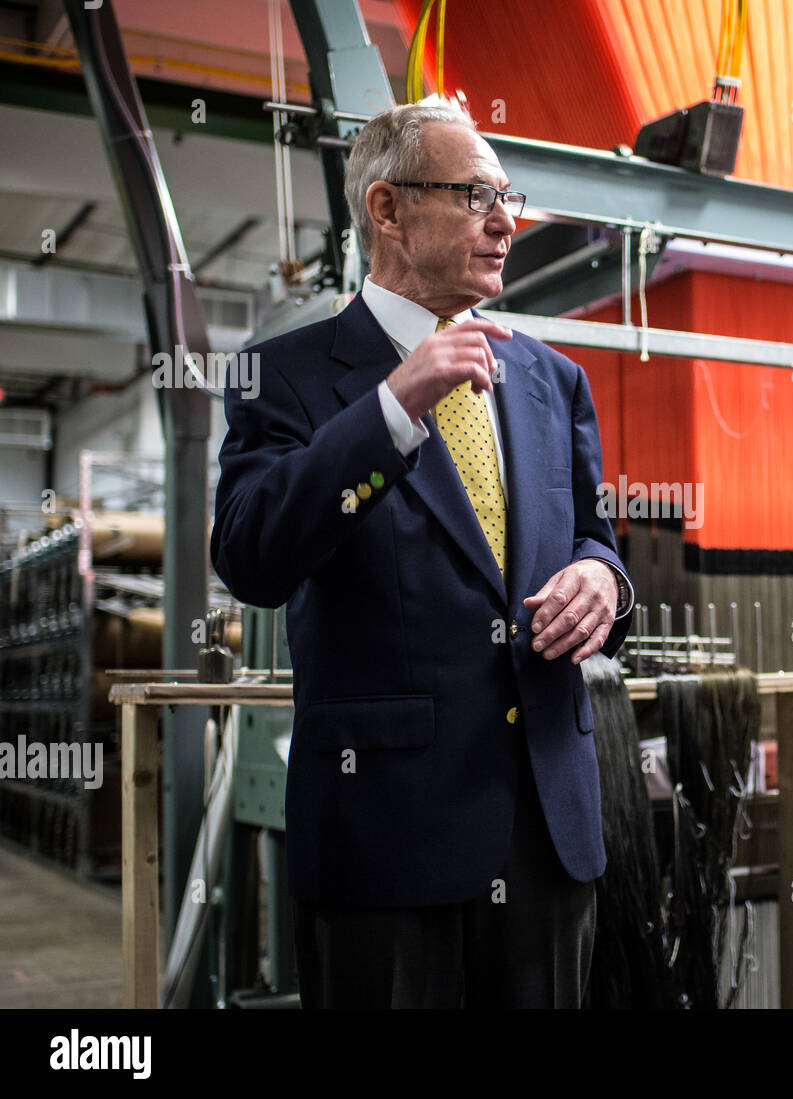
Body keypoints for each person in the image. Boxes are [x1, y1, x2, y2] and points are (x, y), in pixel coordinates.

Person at [211, 98, 633, 1008]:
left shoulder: (551, 380)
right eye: (477, 193)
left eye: (508, 195)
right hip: (388, 839)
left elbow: (600, 537)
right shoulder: (286, 375)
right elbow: (250, 558)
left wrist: (604, 578)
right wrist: (390, 411)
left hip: (546, 833)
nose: (507, 218)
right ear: (388, 208)